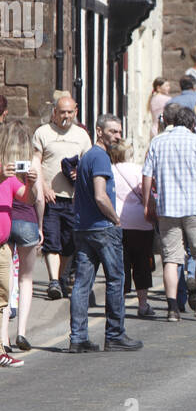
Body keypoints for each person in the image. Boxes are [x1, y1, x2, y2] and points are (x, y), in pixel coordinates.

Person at [141, 102, 196, 322]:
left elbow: (147, 176)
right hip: (195, 207)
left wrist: (148, 205)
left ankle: (171, 310)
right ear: (193, 124)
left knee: (171, 258)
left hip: (167, 208)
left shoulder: (157, 142)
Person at [68, 115, 143, 353]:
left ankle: (78, 338)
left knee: (81, 283)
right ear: (99, 132)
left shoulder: (88, 156)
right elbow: (100, 195)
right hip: (102, 228)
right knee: (115, 279)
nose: (117, 136)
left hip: (83, 228)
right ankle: (115, 334)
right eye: (112, 131)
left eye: (119, 132)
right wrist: (116, 219)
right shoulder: (99, 157)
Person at [33, 93, 90, 300]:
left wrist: (79, 173)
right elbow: (36, 162)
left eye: (69, 112)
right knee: (52, 241)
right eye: (62, 112)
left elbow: (87, 163)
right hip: (52, 198)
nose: (65, 116)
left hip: (74, 199)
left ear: (75, 112)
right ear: (54, 113)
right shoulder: (43, 133)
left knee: (69, 244)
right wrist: (43, 187)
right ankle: (54, 281)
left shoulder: (82, 136)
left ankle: (61, 277)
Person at [0, 125, 39, 365]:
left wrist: (32, 182)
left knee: (3, 297)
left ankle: (2, 350)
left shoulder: (13, 181)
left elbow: (28, 197)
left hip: (3, 245)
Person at [110, 139, 157, 320]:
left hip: (118, 221)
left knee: (121, 264)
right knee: (142, 263)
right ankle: (143, 304)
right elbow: (149, 194)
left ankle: (120, 304)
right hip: (141, 222)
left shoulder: (110, 170)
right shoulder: (139, 170)